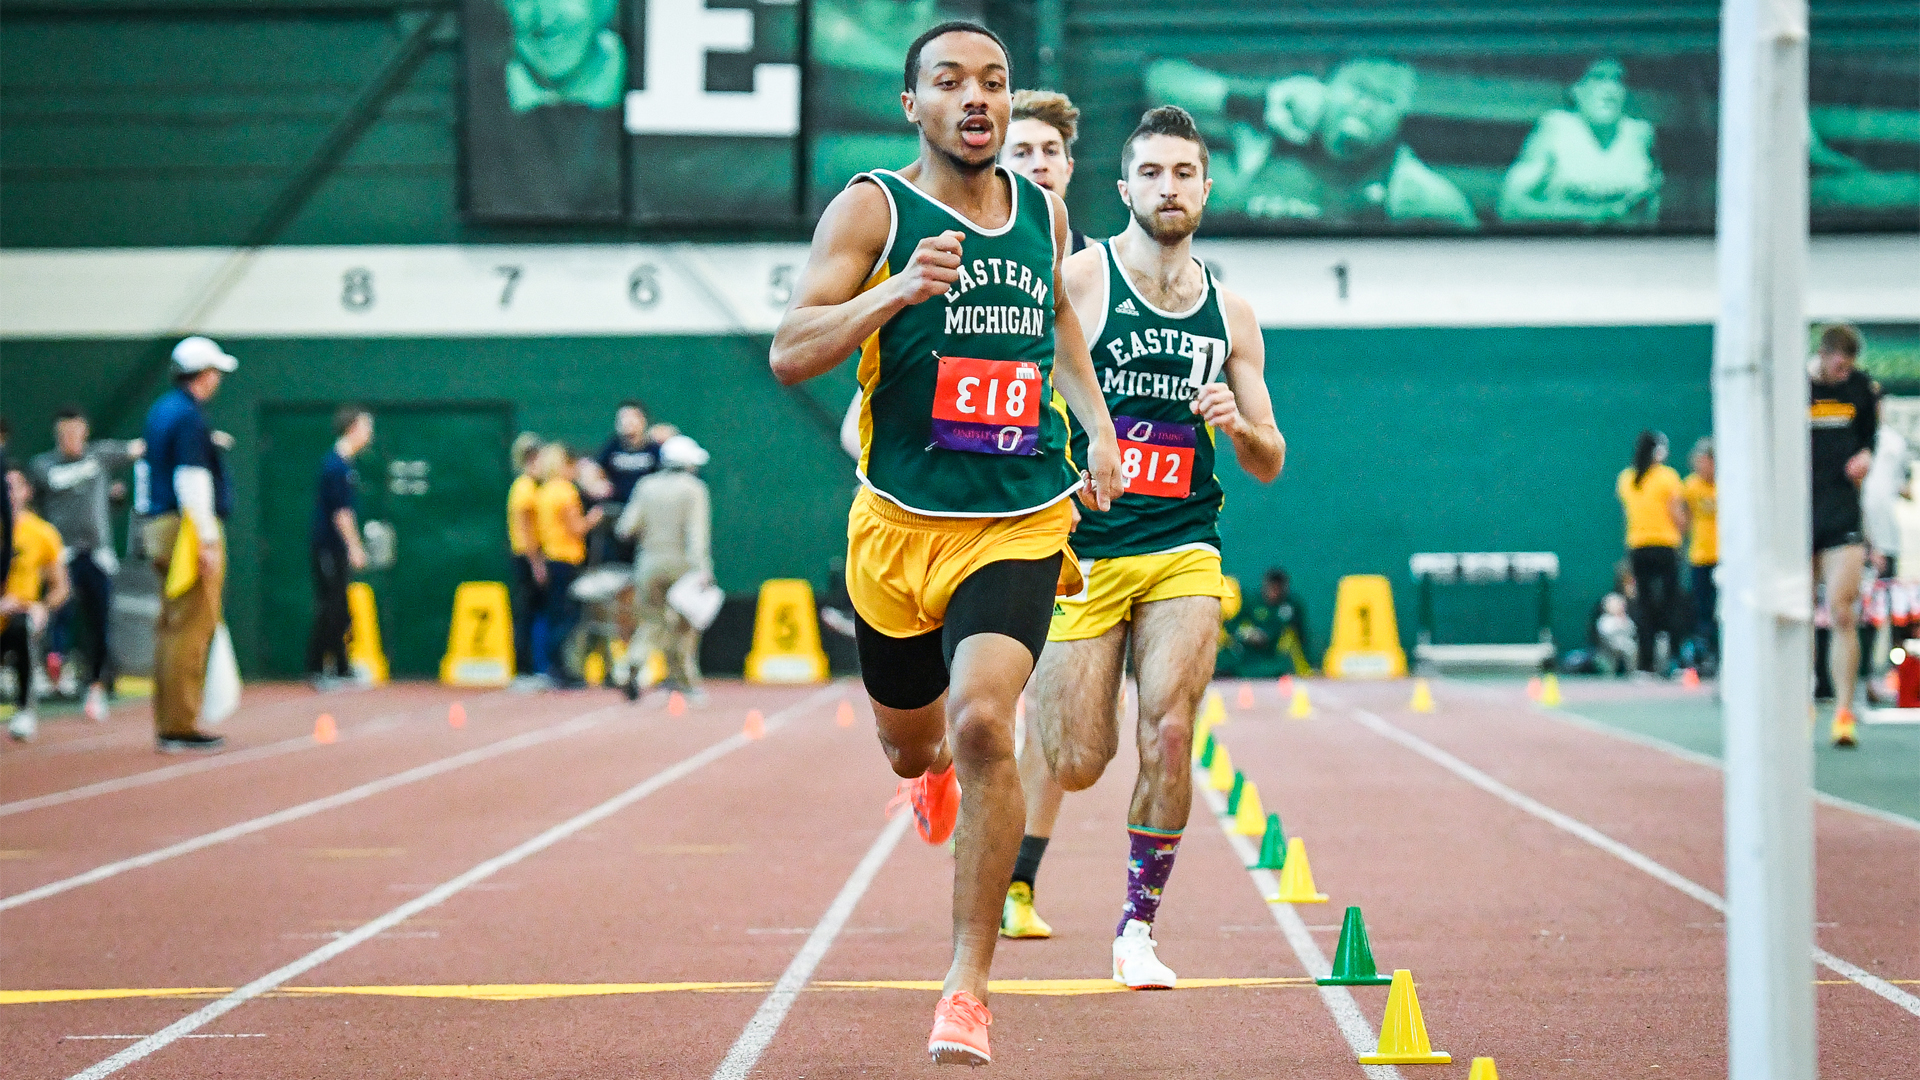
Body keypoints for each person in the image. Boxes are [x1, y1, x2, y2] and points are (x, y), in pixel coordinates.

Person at [767, 21, 1123, 1066]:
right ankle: (919, 774)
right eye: (951, 82)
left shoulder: (1043, 213)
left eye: (996, 82)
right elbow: (791, 350)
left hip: (1016, 518)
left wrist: (1095, 427)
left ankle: (967, 986)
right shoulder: (873, 208)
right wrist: (895, 291)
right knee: (914, 744)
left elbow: (1057, 332)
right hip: (896, 530)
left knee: (981, 725)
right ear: (910, 104)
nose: (978, 98)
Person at [1012, 107, 1284, 984]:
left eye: (1185, 173)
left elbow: (1271, 460)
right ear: (1124, 189)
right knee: (1078, 761)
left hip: (1182, 544)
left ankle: (1138, 928)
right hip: (1085, 549)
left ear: (1206, 188)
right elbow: (1024, 374)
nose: (1169, 188)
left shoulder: (1232, 313)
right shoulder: (1080, 281)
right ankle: (1046, 696)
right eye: (1152, 174)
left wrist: (1238, 425)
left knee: (1170, 730)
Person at [1147, 57, 1477, 229]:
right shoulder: (1263, 137)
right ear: (1325, 88)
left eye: (1385, 98)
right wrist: (1255, 102)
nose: (1365, 106)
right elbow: (1159, 81)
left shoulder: (1419, 194)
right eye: (1358, 88)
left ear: (1401, 118)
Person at [138, 336, 236, 752]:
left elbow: (150, 471)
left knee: (172, 625)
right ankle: (180, 722)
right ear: (203, 374)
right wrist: (207, 541)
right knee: (192, 625)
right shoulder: (190, 416)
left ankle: (172, 718)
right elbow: (191, 477)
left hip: (159, 523)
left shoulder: (162, 410)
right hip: (184, 528)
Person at [28, 407, 143, 720]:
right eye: (65, 433)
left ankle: (95, 689)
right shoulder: (42, 466)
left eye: (76, 432)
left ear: (86, 432)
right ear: (57, 435)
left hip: (96, 554)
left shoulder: (100, 455)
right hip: (61, 555)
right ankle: (54, 661)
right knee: (58, 613)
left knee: (99, 622)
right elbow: (34, 505)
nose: (71, 439)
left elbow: (139, 447)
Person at [1810, 324, 1877, 747]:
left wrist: (1866, 455)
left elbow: (1870, 437)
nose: (1842, 372)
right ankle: (1797, 703)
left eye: (1848, 366)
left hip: (1842, 514)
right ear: (1823, 354)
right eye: (1838, 364)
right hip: (1796, 514)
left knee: (1842, 610)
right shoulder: (1795, 386)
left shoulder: (1860, 390)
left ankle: (1843, 711)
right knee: (1795, 615)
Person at [1498, 59, 1661, 226]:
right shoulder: (1555, 129)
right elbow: (1510, 206)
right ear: (1576, 89)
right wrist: (1593, 214)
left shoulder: (1639, 134)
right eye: (1598, 78)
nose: (1610, 90)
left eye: (1618, 80)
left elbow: (1651, 209)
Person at [614, 434, 713, 702]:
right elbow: (697, 535)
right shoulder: (694, 489)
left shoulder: (646, 486)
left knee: (650, 621)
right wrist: (704, 570)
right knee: (684, 627)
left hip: (648, 563)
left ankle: (633, 663)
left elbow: (625, 528)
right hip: (682, 566)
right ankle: (685, 682)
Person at [305, 407, 372, 687]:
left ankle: (342, 667)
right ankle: (317, 667)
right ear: (353, 428)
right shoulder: (334, 466)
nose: (370, 435)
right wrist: (355, 547)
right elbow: (341, 514)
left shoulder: (347, 465)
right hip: (327, 547)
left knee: (341, 607)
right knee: (329, 606)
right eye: (367, 428)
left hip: (337, 549)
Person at [4, 468, 71, 741]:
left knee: (23, 628)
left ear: (26, 491)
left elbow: (61, 587)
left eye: (13, 487)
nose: (7, 494)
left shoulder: (41, 532)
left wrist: (41, 607)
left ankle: (24, 710)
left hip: (18, 619)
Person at [1617, 430, 1687, 677]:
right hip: (1665, 547)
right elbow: (1677, 516)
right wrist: (1684, 528)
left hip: (1638, 547)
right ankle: (1675, 661)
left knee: (1644, 604)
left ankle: (1645, 665)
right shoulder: (1668, 478)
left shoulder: (1626, 479)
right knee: (1671, 602)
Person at [533, 443, 603, 687]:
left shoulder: (543, 491)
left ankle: (552, 666)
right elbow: (577, 528)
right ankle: (560, 667)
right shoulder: (565, 492)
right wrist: (594, 518)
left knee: (555, 614)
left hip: (551, 557)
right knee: (569, 617)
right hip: (567, 559)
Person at [1004, 89, 1088, 254]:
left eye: (1050, 151)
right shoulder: (970, 256)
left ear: (1068, 169)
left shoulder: (1100, 263)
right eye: (1021, 153)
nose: (1039, 165)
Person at [595, 400, 673, 563]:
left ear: (642, 421)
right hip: (618, 516)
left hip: (648, 519)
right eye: (623, 418)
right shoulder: (613, 447)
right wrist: (597, 483)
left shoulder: (653, 449)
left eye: (632, 418)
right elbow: (594, 469)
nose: (627, 423)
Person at [1215, 568, 1313, 679]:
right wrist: (1247, 634)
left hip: (1273, 656)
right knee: (1225, 661)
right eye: (1272, 587)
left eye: (1278, 588)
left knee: (1277, 669)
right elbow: (1232, 625)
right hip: (1247, 654)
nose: (1275, 592)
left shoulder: (1291, 605)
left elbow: (1302, 636)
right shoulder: (1253, 601)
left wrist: (1308, 665)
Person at [506, 432, 546, 679]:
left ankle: (529, 666)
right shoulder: (525, 488)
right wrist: (537, 563)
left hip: (525, 555)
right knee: (527, 614)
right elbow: (527, 530)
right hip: (526, 556)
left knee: (530, 613)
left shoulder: (526, 486)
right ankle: (525, 668)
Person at [1680, 438, 1718, 674]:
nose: (1699, 467)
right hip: (1700, 557)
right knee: (1704, 611)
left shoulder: (1728, 483)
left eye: (1703, 462)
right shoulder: (1690, 487)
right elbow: (1685, 521)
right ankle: (1706, 657)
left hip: (1725, 558)